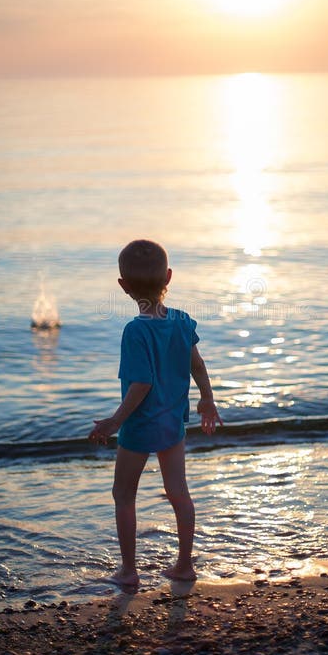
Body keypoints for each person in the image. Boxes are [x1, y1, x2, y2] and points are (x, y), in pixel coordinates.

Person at [89, 239, 222, 588]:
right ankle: (183, 566)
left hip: (138, 428)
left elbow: (141, 383)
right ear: (169, 277)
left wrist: (115, 421)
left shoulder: (135, 331)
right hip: (172, 425)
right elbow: (198, 365)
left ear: (123, 286)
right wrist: (207, 399)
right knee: (179, 492)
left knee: (124, 495)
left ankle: (129, 571)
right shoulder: (181, 321)